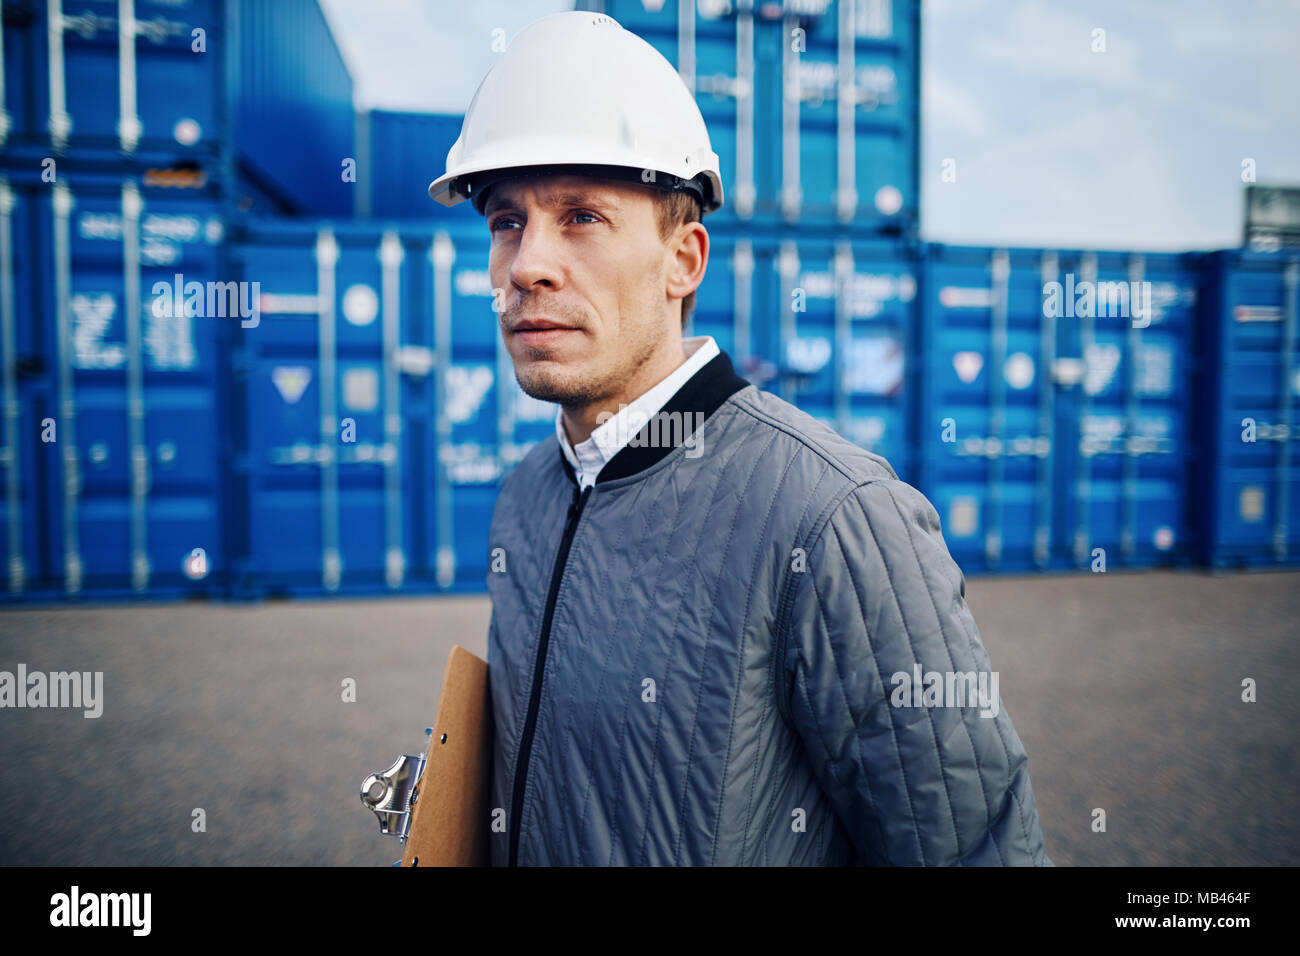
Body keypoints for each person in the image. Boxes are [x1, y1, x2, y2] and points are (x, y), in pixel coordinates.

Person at [429, 10, 1051, 866]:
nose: (529, 264)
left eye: (581, 217)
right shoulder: (528, 497)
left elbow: (973, 850)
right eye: (506, 221)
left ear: (684, 261)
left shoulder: (836, 518)